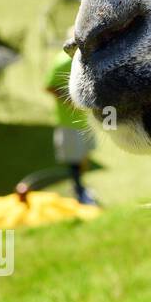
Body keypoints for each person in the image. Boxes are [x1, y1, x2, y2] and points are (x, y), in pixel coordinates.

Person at [45, 47, 97, 206]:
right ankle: (79, 191)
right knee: (74, 161)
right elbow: (50, 87)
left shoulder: (92, 56)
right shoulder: (63, 61)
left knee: (84, 157)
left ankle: (81, 188)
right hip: (69, 123)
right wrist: (73, 102)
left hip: (87, 122)